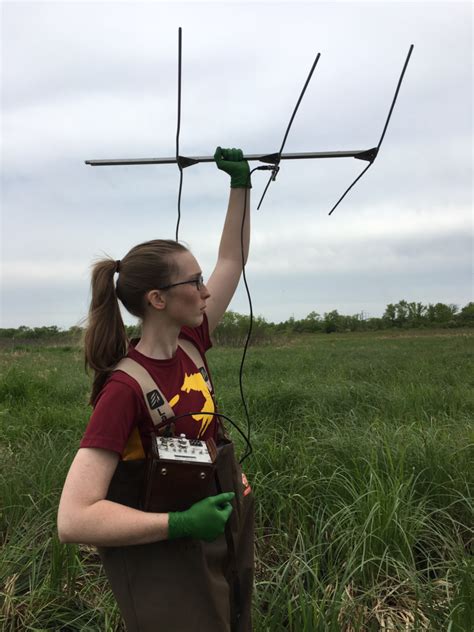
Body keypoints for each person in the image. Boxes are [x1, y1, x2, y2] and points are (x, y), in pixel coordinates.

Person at [57, 147, 255, 632]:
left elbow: (233, 257)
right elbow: (74, 518)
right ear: (158, 299)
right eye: (195, 282)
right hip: (165, 551)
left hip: (219, 519)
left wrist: (240, 187)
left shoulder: (193, 341)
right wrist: (181, 524)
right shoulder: (124, 389)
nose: (207, 291)